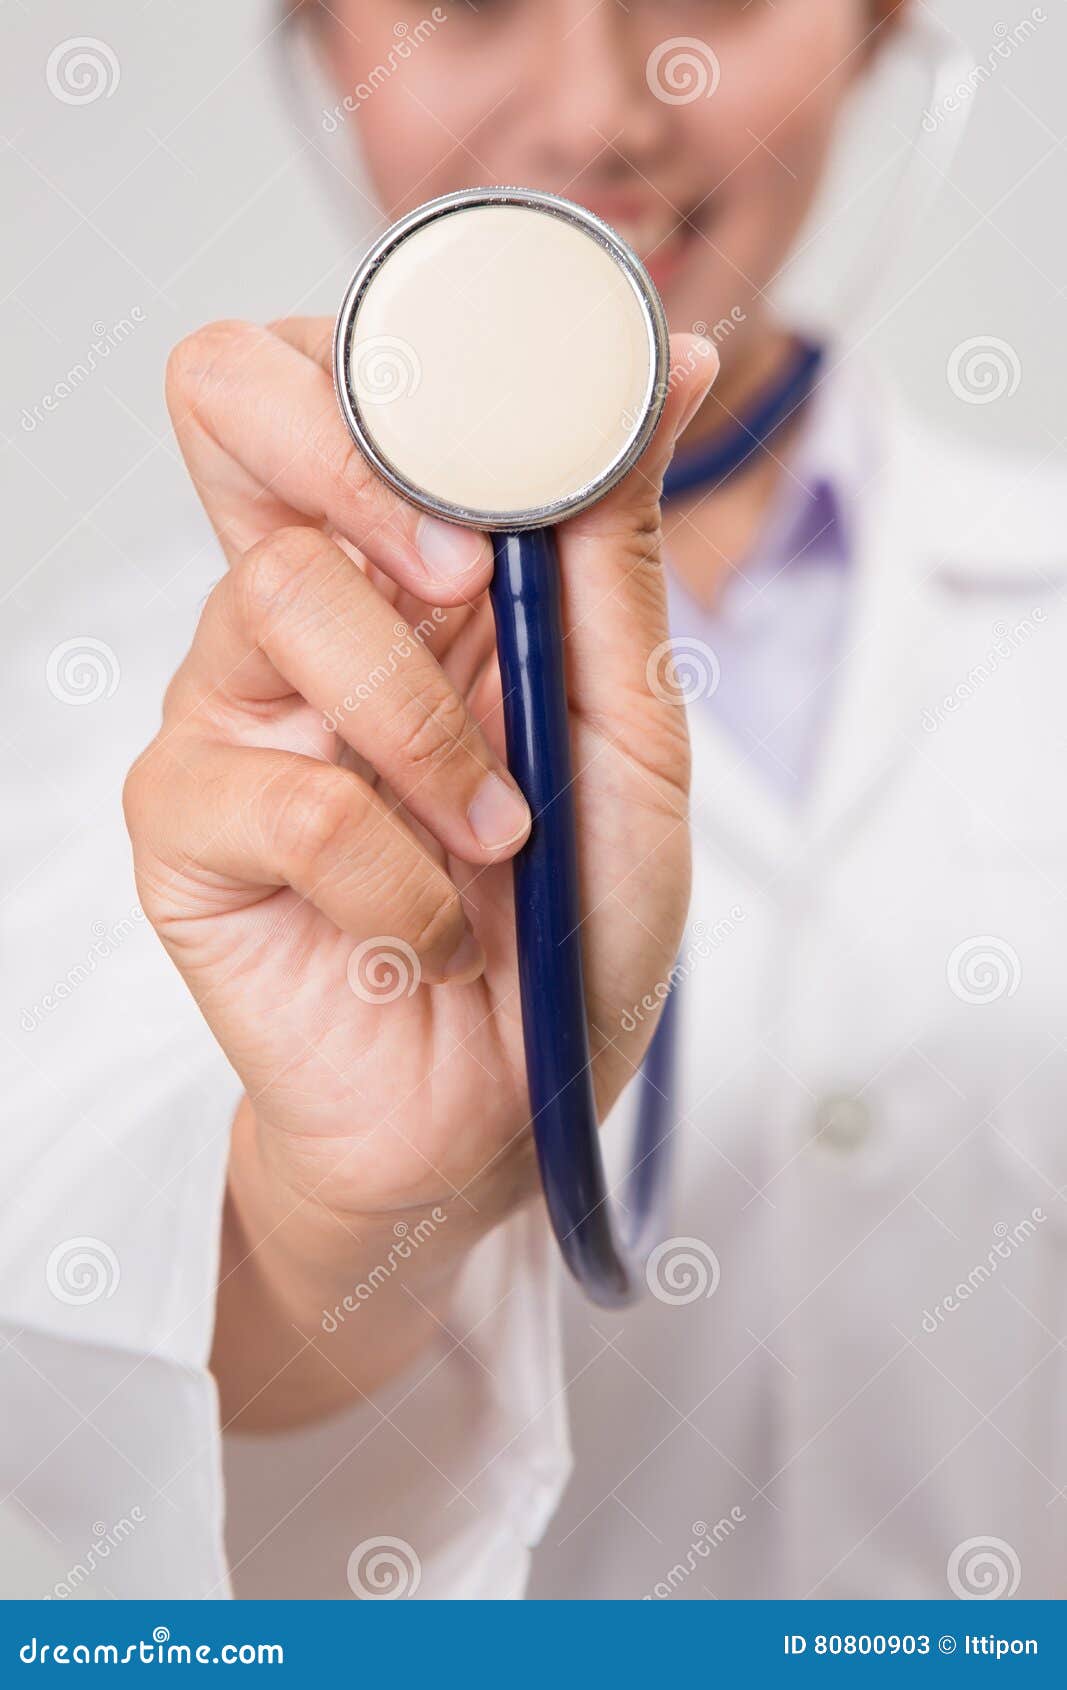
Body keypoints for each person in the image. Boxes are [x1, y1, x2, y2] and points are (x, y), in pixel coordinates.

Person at [5, 0, 1066, 1601]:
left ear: (877, 27)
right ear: (316, 40)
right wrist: (344, 1214)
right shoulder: (109, 715)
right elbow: (83, 1480)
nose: (597, 117)